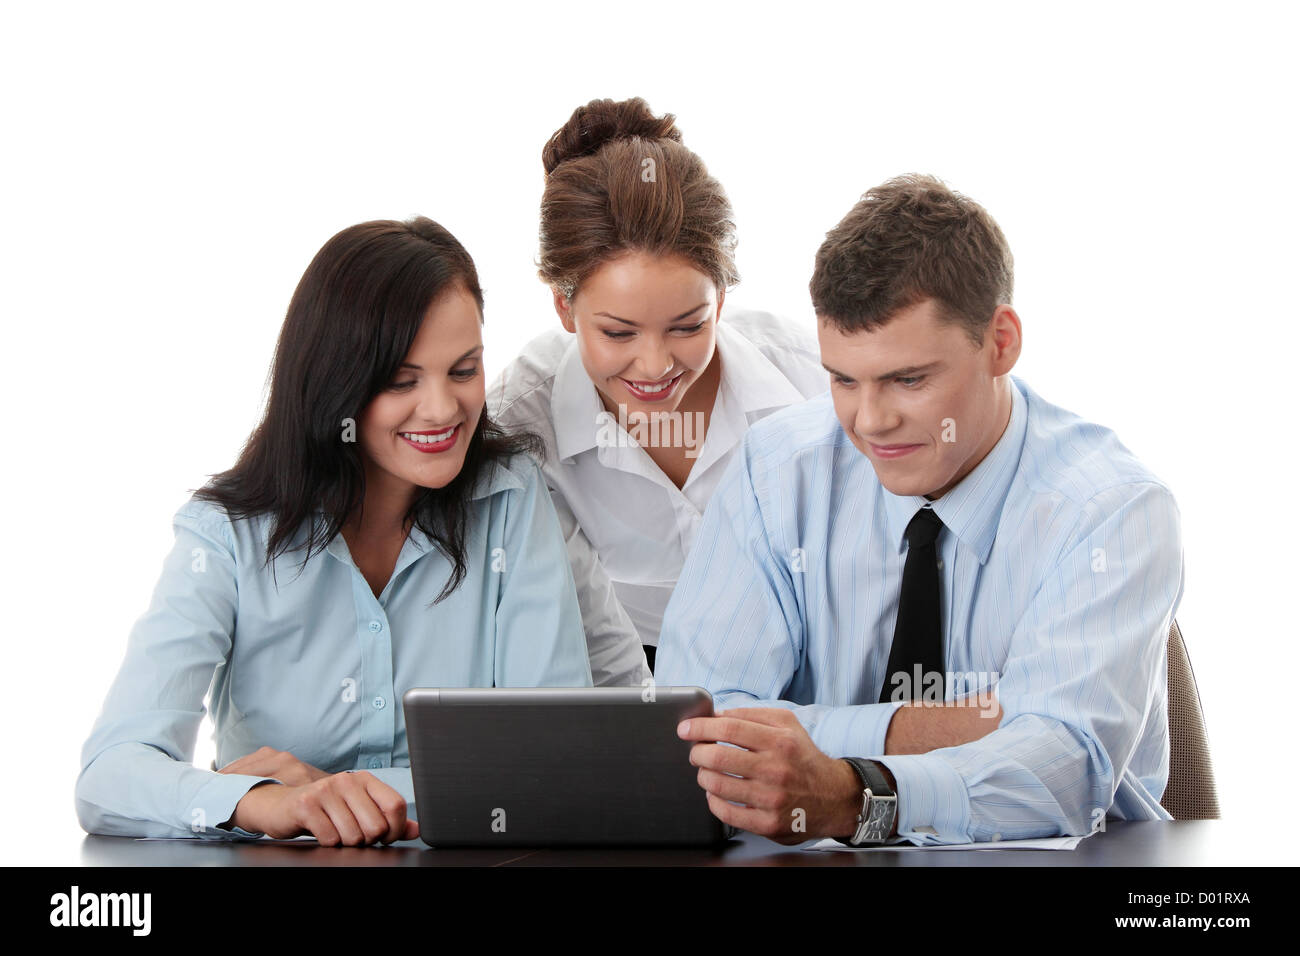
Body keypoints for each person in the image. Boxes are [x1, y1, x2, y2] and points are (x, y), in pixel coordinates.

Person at [656, 175, 1184, 846]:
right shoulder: (777, 473)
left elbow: (1064, 768)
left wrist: (853, 790)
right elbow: (694, 728)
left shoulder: (1111, 512)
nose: (870, 422)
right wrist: (932, 729)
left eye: (908, 379)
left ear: (1001, 341)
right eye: (844, 379)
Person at [76, 218, 592, 845]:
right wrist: (257, 804)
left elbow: (553, 763)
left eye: (463, 370)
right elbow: (109, 775)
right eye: (401, 381)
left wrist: (326, 792)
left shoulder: (509, 497)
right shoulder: (226, 537)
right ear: (335, 383)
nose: (441, 409)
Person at [489, 97, 828, 681]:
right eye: (618, 332)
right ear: (564, 307)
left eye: (688, 326)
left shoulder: (813, 380)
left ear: (720, 298)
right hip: (621, 689)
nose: (654, 366)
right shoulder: (520, 421)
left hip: (804, 675)